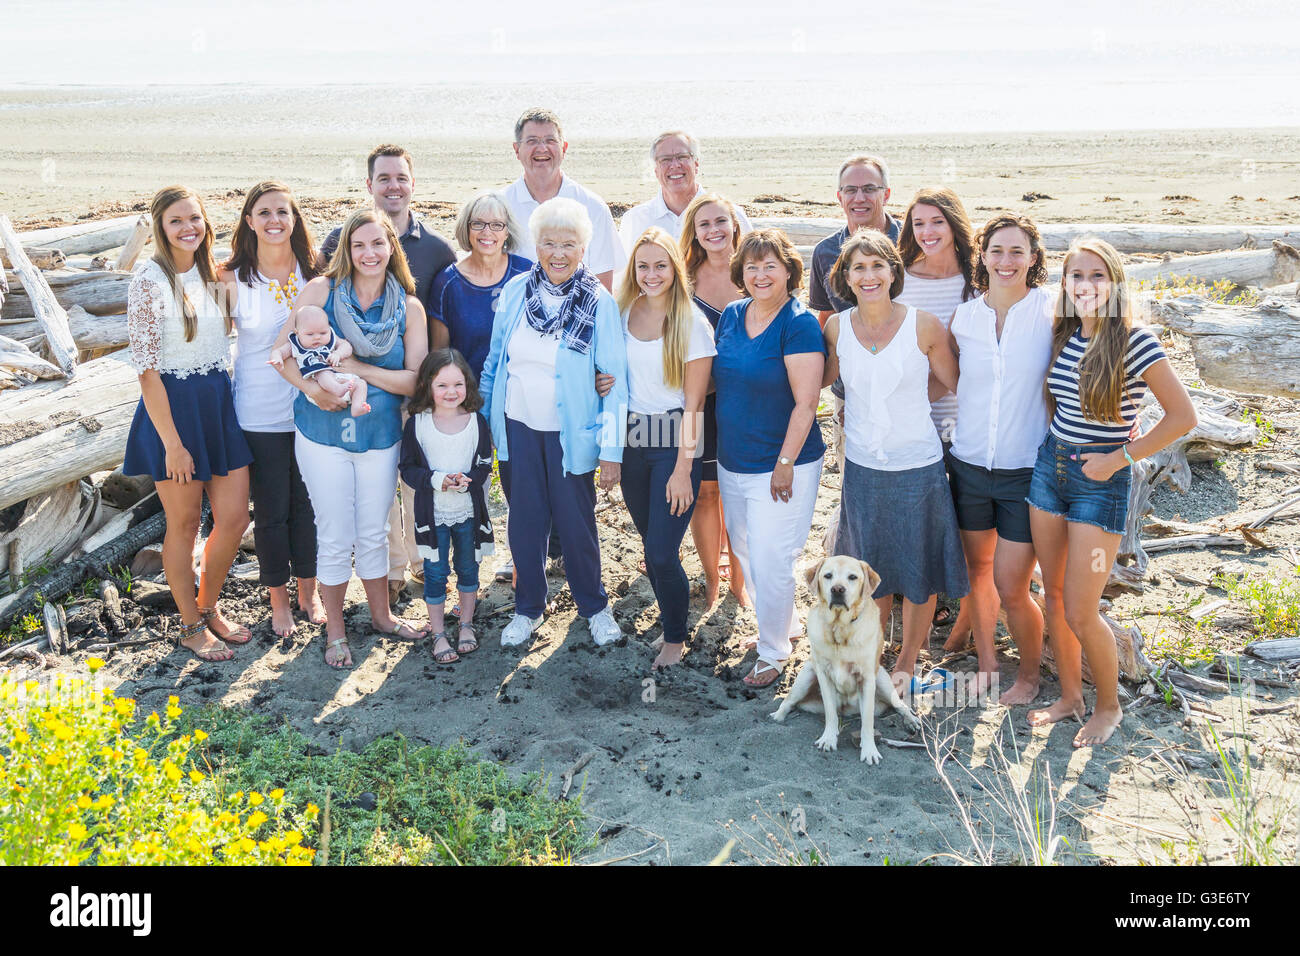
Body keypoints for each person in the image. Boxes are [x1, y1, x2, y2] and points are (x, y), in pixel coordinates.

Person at [1027, 239, 1196, 746]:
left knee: (1082, 607)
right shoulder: (1066, 334)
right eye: (1075, 276)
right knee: (1053, 596)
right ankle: (1070, 695)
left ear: (1116, 282)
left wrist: (1121, 457)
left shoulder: (1136, 341)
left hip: (1101, 482)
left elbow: (1183, 417)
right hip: (1049, 470)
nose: (1085, 286)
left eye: (1097, 276)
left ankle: (1108, 706)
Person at [273, 208, 430, 669]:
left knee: (375, 530)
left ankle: (381, 616)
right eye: (358, 244)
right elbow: (281, 355)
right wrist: (312, 391)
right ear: (346, 249)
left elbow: (415, 381)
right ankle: (336, 631)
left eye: (377, 244)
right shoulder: (321, 292)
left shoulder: (409, 306)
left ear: (391, 249)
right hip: (322, 435)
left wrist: (358, 369)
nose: (368, 253)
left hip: (380, 435)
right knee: (336, 532)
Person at [478, 197, 629, 649]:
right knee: (524, 522)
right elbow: (494, 363)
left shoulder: (599, 302)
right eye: (548, 243)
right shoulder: (514, 291)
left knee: (576, 523)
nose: (558, 253)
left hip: (573, 435)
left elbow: (615, 383)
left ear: (584, 249)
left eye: (568, 244)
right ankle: (528, 608)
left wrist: (612, 450)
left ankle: (594, 606)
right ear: (536, 245)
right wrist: (485, 425)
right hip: (518, 428)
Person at [822, 230, 967, 688]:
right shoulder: (836, 328)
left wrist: (908, 405)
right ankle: (875, 652)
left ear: (892, 271)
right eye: (858, 268)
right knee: (870, 566)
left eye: (877, 266)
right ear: (846, 277)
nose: (869, 276)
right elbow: (823, 380)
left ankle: (908, 661)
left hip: (917, 465)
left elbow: (954, 381)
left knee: (919, 566)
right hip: (863, 467)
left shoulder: (922, 325)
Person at [320, 144, 457, 603]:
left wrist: (438, 391)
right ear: (370, 186)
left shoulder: (437, 249)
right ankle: (392, 569)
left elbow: (441, 322)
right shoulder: (341, 240)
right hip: (359, 396)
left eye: (401, 177)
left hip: (417, 389)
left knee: (416, 485)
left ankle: (424, 562)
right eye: (384, 178)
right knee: (377, 493)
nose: (393, 186)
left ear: (413, 183)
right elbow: (324, 307)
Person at [123, 185, 252, 662]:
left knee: (235, 517)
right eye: (177, 221)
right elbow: (146, 372)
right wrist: (173, 445)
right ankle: (190, 625)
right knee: (183, 525)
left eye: (194, 218)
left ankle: (208, 605)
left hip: (218, 405)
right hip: (172, 412)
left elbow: (239, 333)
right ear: (160, 227)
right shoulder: (147, 281)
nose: (188, 228)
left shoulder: (213, 273)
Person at [712, 229, 826, 687]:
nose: (760, 275)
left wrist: (783, 462)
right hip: (732, 458)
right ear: (741, 271)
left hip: (784, 464)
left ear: (788, 271)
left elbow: (806, 402)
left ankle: (773, 651)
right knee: (743, 549)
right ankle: (785, 626)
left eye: (770, 266)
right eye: (752, 267)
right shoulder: (732, 315)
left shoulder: (798, 323)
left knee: (770, 556)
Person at [948, 214, 1054, 703]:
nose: (1006, 261)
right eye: (996, 251)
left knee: (1013, 586)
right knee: (976, 571)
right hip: (968, 463)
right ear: (982, 256)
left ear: (1033, 258)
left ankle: (1029, 676)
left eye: (1017, 252)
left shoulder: (1052, 313)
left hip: (1025, 470)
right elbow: (950, 379)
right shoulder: (965, 316)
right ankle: (987, 660)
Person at [218, 180, 324, 639]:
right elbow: (215, 345)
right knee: (273, 509)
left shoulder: (315, 272)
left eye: (283, 211)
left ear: (296, 218)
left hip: (312, 406)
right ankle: (278, 599)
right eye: (264, 212)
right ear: (249, 221)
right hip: (258, 410)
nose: (275, 220)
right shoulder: (228, 279)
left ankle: (310, 591)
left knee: (309, 506)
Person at [616, 227, 716, 669]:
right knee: (648, 541)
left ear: (674, 269)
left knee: (662, 551)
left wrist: (682, 470)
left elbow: (694, 404)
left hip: (674, 441)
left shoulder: (691, 323)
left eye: (660, 265)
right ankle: (669, 618)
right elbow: (614, 376)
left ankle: (676, 637)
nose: (651, 274)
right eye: (643, 266)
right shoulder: (622, 311)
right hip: (633, 438)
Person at [896, 186, 982, 646]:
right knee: (924, 524)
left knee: (971, 526)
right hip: (915, 424)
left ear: (954, 224)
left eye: (937, 222)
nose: (927, 232)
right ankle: (921, 618)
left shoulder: (978, 281)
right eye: (918, 224)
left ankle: (968, 621)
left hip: (971, 423)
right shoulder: (901, 280)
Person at [399, 349, 496, 665]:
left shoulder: (476, 422)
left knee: (468, 567)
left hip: (469, 512)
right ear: (427, 385)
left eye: (458, 384)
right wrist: (438, 479)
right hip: (433, 515)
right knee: (435, 572)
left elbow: (484, 463)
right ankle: (439, 632)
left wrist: (469, 478)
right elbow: (409, 469)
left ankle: (466, 624)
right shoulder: (418, 425)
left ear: (467, 384)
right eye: (442, 385)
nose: (451, 392)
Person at [679, 193, 748, 607]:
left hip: (747, 406)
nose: (714, 231)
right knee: (705, 493)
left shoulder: (754, 270)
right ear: (695, 232)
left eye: (720, 221)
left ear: (734, 225)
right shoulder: (684, 277)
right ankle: (711, 578)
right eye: (704, 224)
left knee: (739, 496)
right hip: (700, 405)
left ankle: (740, 584)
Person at [503, 108, 623, 291]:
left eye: (550, 140)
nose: (542, 148)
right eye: (532, 141)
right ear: (517, 150)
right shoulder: (500, 206)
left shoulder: (593, 207)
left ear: (564, 148)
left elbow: (603, 289)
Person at [618, 130, 753, 253]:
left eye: (682, 157)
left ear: (696, 164)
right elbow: (623, 277)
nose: (675, 165)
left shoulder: (732, 216)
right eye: (665, 159)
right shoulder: (635, 219)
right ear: (656, 170)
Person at [268, 305, 370, 417]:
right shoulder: (295, 344)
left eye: (322, 333)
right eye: (310, 334)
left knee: (361, 384)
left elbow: (347, 346)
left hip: (340, 379)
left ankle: (357, 407)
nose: (317, 337)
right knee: (322, 373)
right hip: (318, 385)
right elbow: (279, 351)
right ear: (297, 333)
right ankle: (338, 389)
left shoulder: (331, 338)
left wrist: (338, 354)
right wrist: (277, 358)